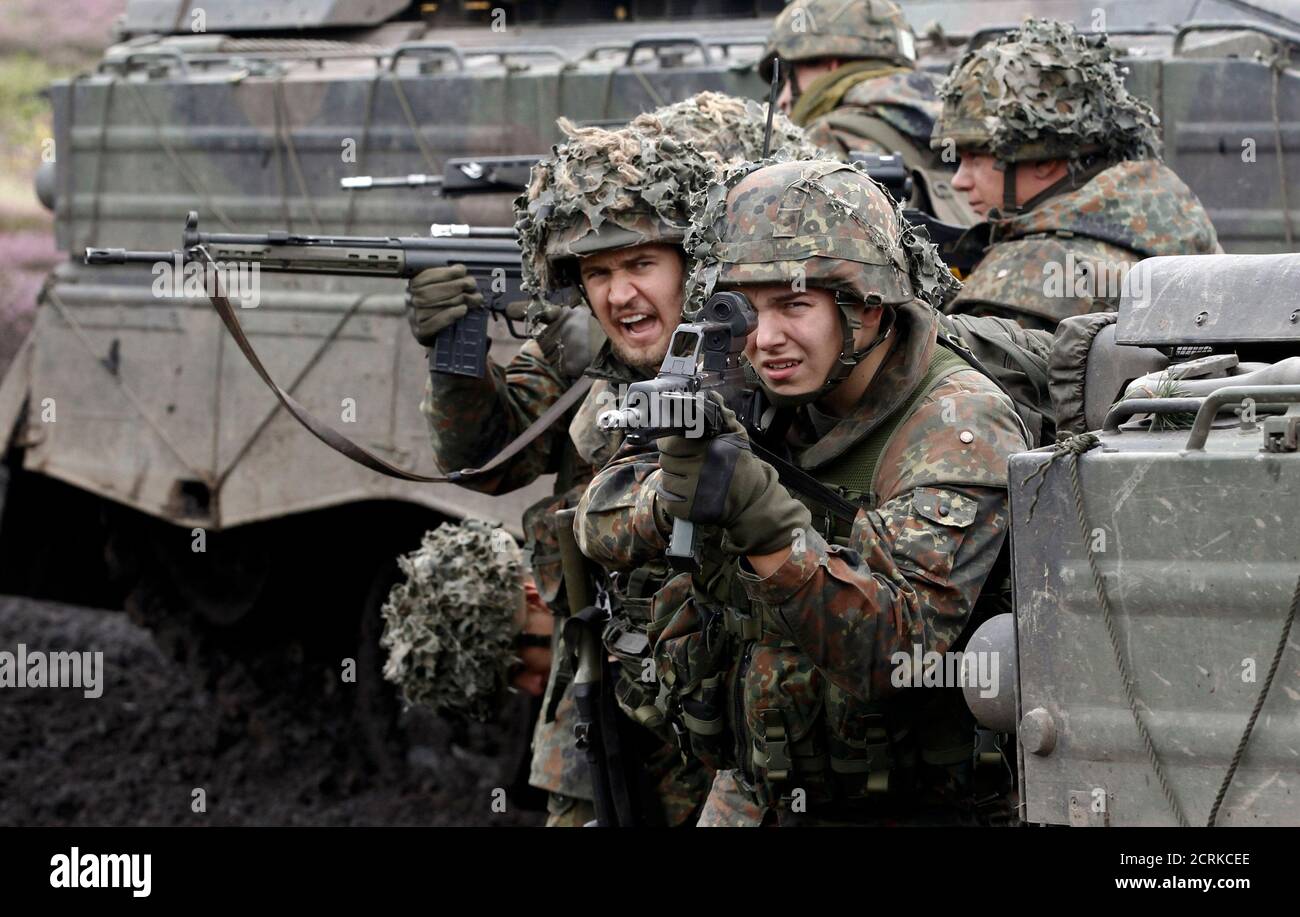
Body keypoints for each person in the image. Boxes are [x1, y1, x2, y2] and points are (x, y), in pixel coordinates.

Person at [575, 158, 1029, 825]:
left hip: (926, 804)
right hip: (767, 785)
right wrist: (674, 493)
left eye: (794, 305)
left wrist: (765, 524)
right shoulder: (756, 381)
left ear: (867, 308)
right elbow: (596, 522)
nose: (765, 339)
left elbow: (898, 651)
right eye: (746, 309)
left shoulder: (958, 421)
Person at [409, 92, 817, 825]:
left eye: (640, 264)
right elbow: (483, 458)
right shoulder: (582, 346)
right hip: (605, 687)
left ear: (693, 264)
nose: (620, 294)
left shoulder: (769, 351)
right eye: (597, 273)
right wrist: (456, 356)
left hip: (740, 713)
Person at [932, 18, 1220, 331]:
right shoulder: (1176, 223)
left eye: (975, 159)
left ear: (1043, 161)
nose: (959, 181)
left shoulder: (1021, 277)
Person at [761, 0, 975, 225]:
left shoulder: (827, 135)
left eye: (788, 76)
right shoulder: (960, 108)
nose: (783, 100)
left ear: (830, 64)